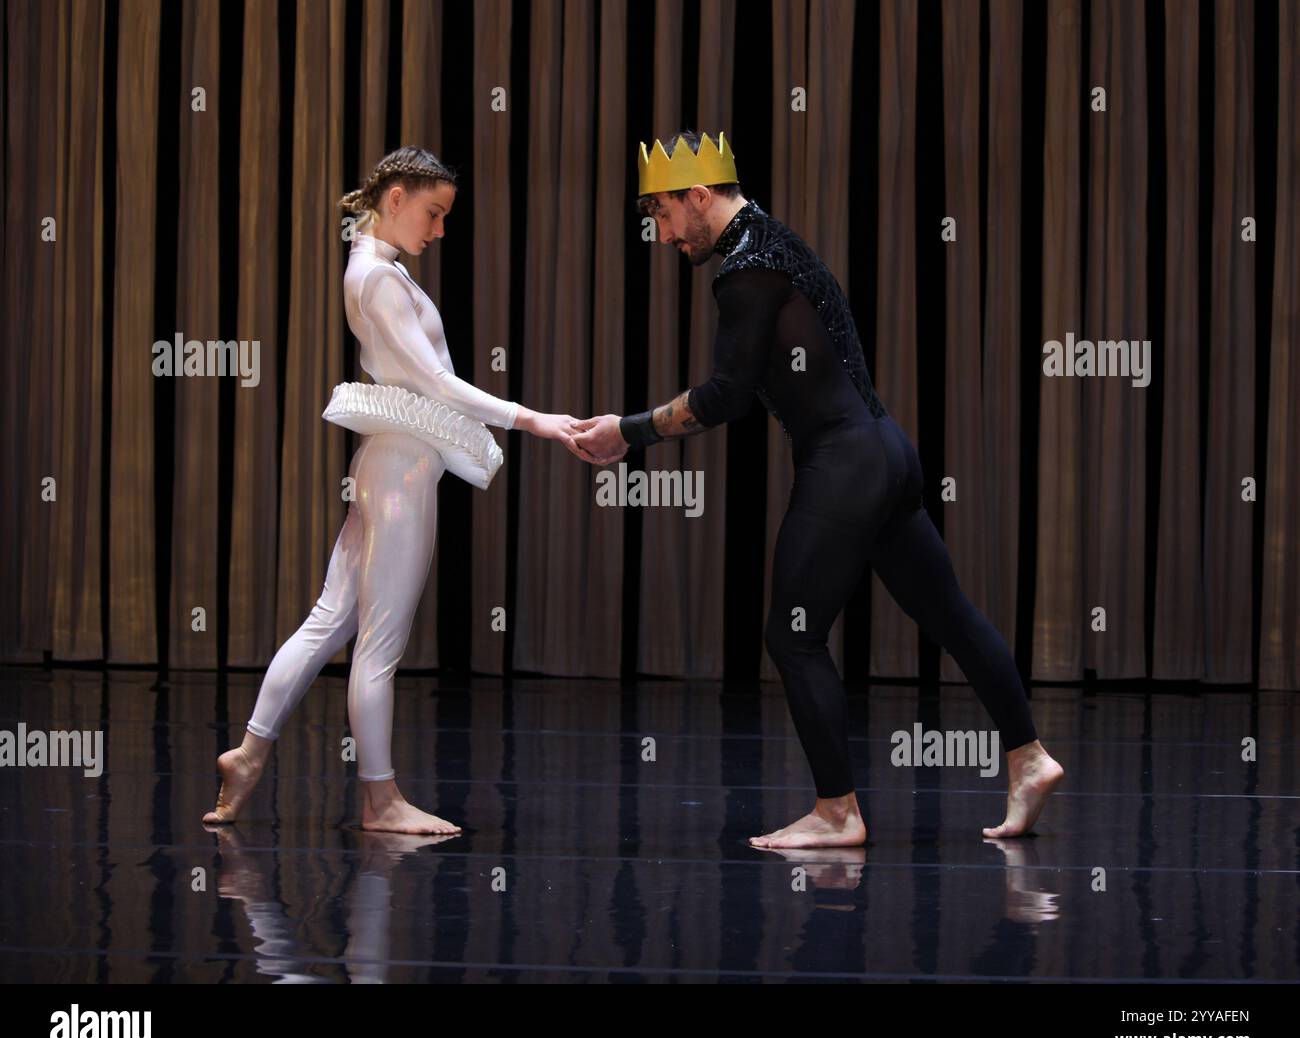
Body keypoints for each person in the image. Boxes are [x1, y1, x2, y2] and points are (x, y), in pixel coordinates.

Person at [571, 130, 1064, 848]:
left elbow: (726, 396)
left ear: (698, 195)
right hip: (888, 453)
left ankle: (837, 812)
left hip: (844, 465)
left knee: (791, 636)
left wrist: (628, 430)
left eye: (662, 213)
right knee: (950, 615)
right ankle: (1028, 757)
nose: (661, 232)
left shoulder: (742, 269)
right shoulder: (778, 237)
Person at [204, 146, 584, 834]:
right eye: (433, 214)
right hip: (401, 473)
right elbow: (437, 385)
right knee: (378, 642)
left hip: (388, 463)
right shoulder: (378, 280)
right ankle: (380, 801)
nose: (438, 230)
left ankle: (250, 752)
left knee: (331, 618)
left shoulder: (376, 270)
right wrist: (536, 420)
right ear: (397, 199)